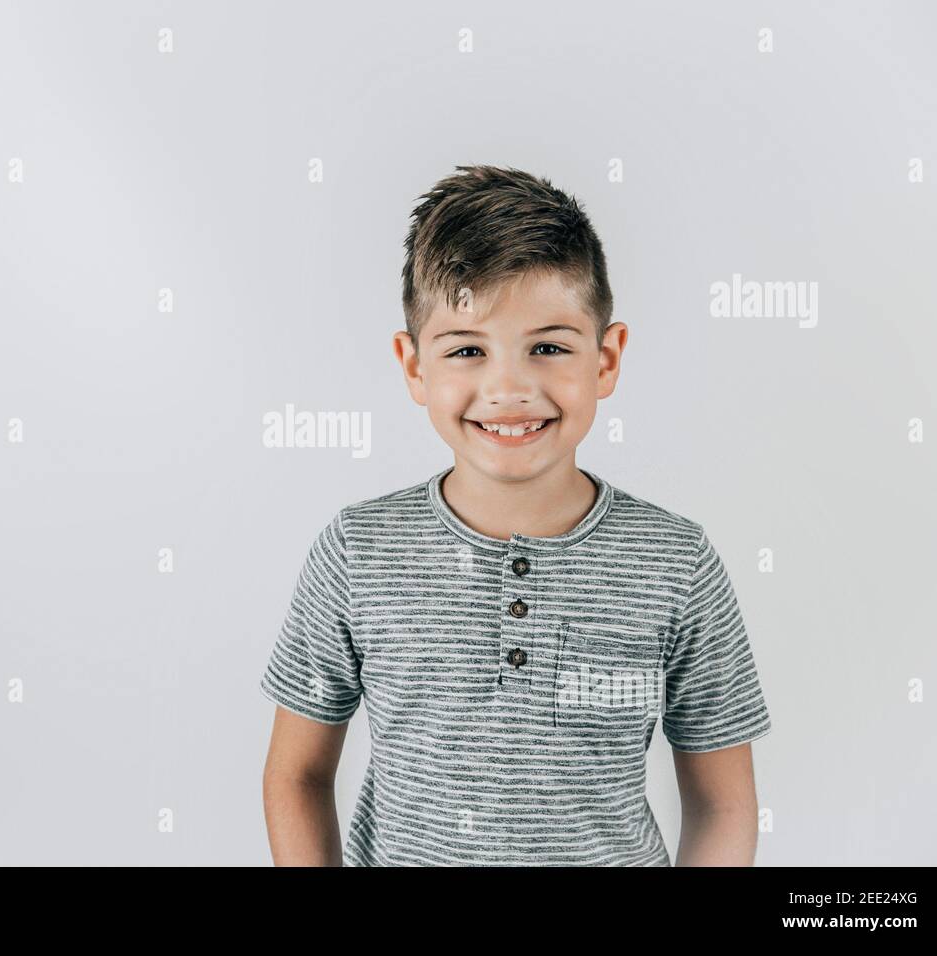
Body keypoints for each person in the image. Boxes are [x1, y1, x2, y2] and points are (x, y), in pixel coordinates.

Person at [259, 165, 771, 866]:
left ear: (606, 358)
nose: (509, 388)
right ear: (413, 366)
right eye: (468, 349)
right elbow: (297, 774)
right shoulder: (357, 552)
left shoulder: (676, 561)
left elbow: (724, 802)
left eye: (549, 347)